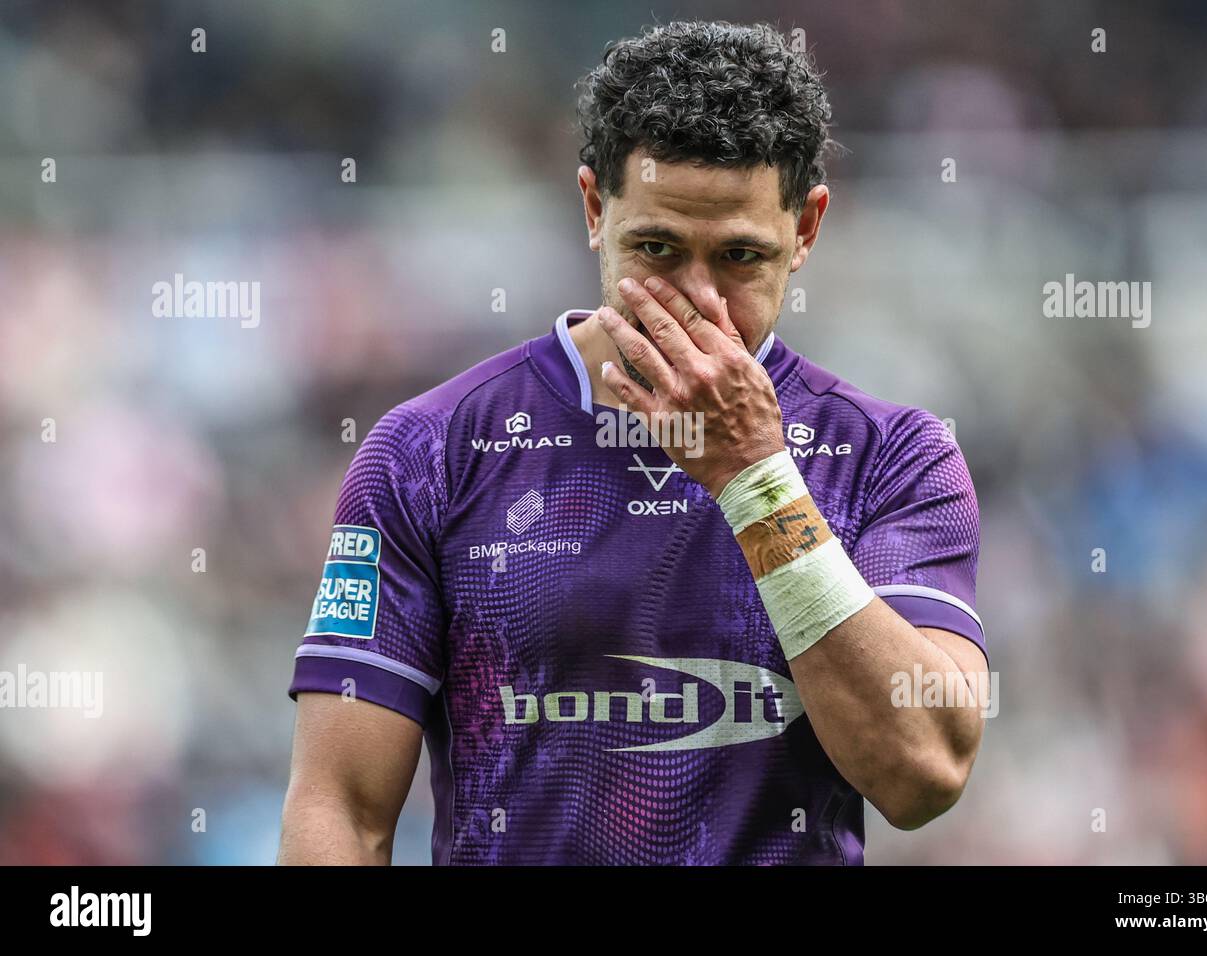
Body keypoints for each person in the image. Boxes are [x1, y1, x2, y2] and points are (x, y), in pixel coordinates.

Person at [279, 19, 987, 866]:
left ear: (806, 231)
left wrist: (755, 478)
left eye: (738, 257)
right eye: (656, 248)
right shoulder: (428, 452)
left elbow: (924, 772)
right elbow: (341, 811)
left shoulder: (892, 457)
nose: (695, 299)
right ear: (592, 209)